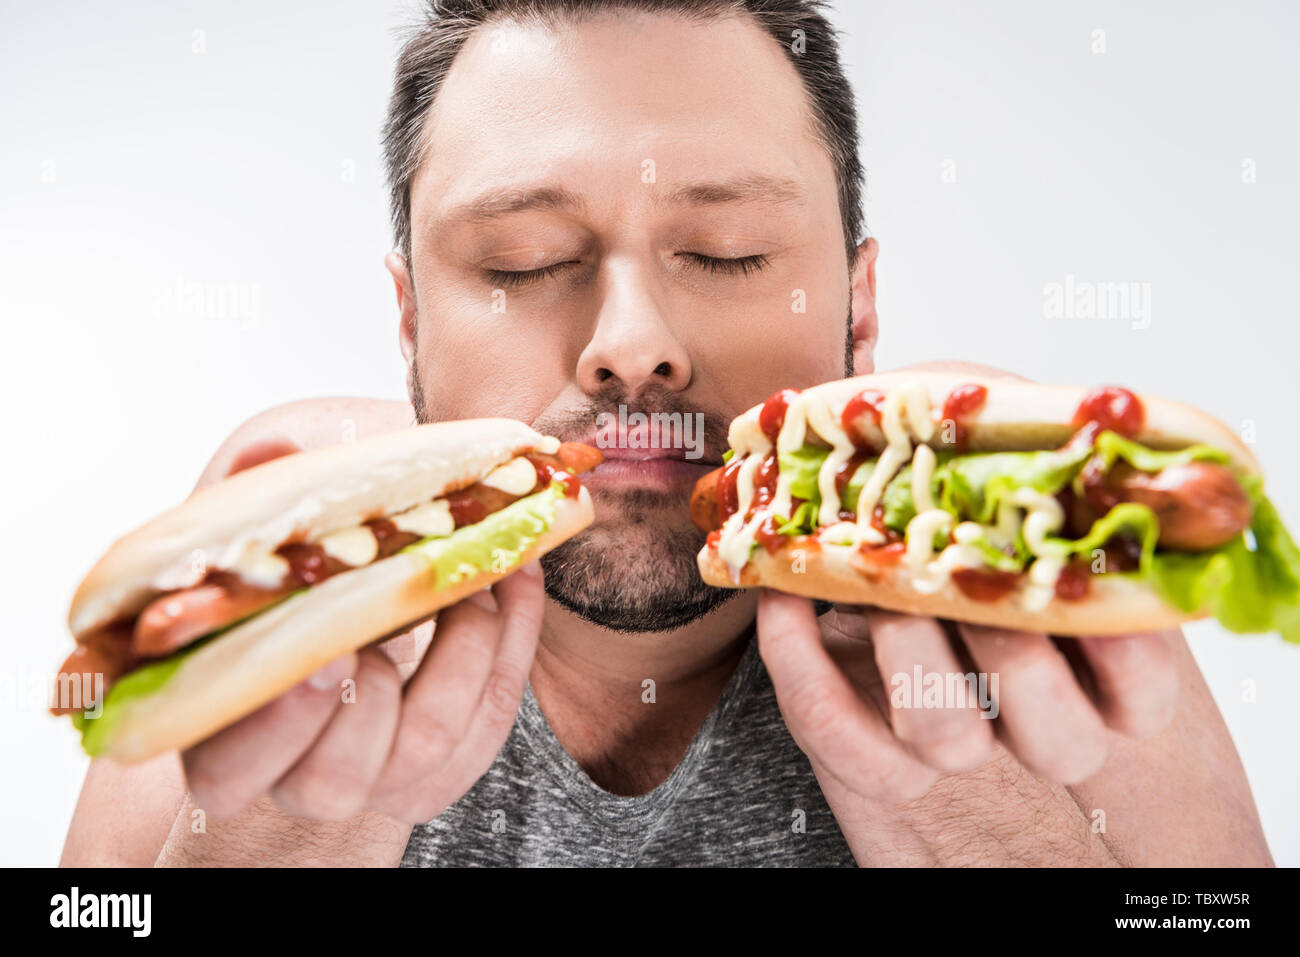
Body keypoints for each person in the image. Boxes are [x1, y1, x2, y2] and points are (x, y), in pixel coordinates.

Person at [61, 0, 1272, 867]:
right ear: (408, 319)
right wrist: (291, 835)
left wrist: (970, 821)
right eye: (523, 260)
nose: (631, 344)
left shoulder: (1008, 520)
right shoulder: (285, 532)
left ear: (857, 310)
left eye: (727, 252)